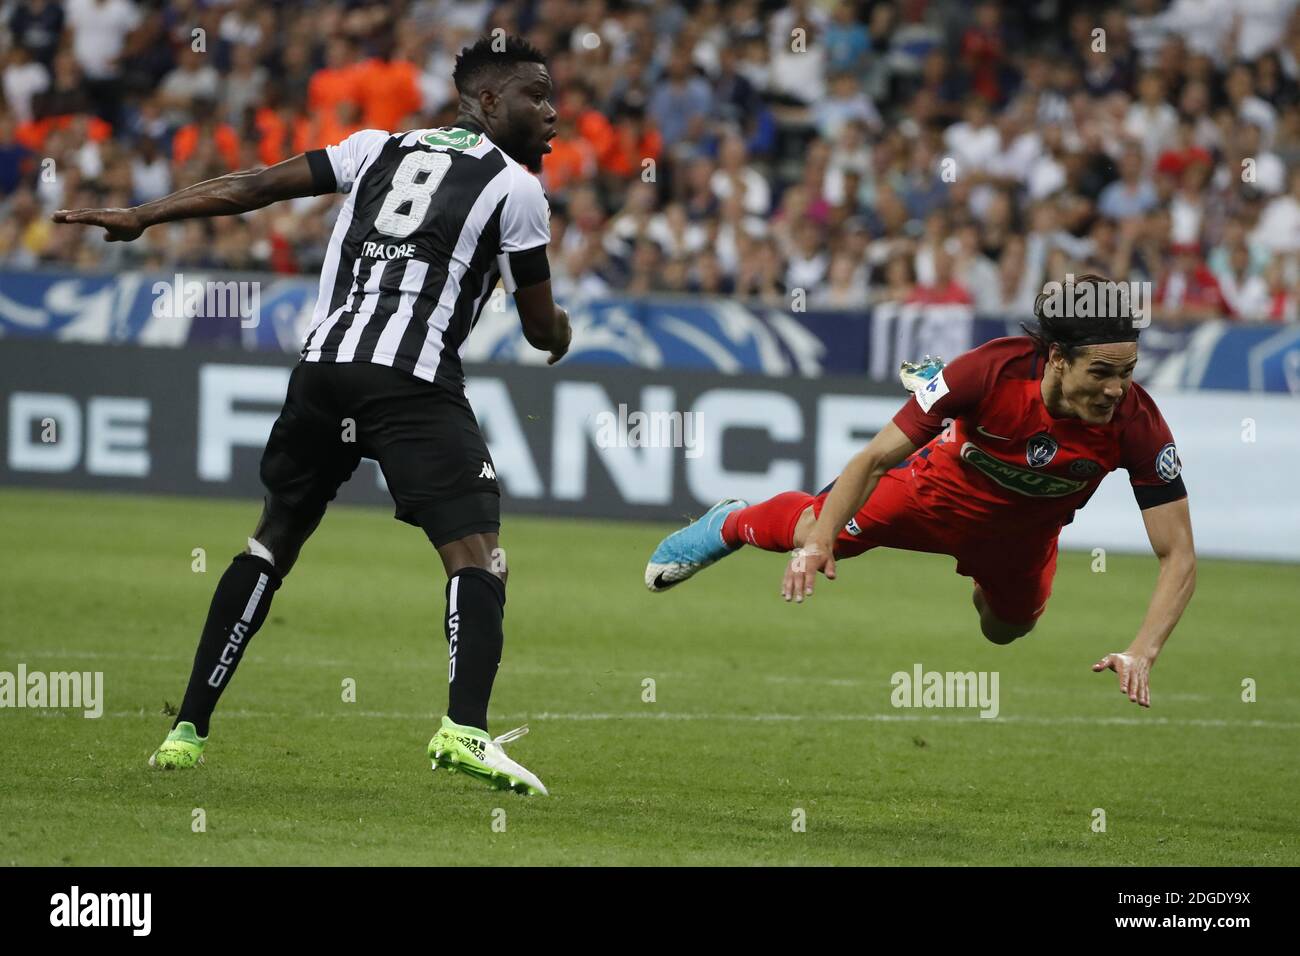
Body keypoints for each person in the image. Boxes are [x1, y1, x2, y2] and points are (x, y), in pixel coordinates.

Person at [53, 35, 570, 794]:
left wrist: (145, 214)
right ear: (489, 102)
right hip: (410, 377)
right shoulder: (517, 190)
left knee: (271, 543)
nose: (553, 112)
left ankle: (187, 730)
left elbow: (258, 185)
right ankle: (464, 729)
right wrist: (562, 338)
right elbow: (538, 324)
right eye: (537, 95)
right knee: (479, 554)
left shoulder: (375, 148)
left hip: (323, 372)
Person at [645, 275, 1196, 709]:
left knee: (1005, 629)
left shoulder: (1136, 422)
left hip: (1019, 542)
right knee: (818, 526)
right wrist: (816, 546)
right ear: (1056, 357)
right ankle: (730, 523)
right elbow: (874, 458)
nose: (1115, 389)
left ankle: (983, 562)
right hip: (926, 496)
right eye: (1101, 372)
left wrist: (1142, 652)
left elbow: (1179, 555)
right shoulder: (987, 371)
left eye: (1127, 372)